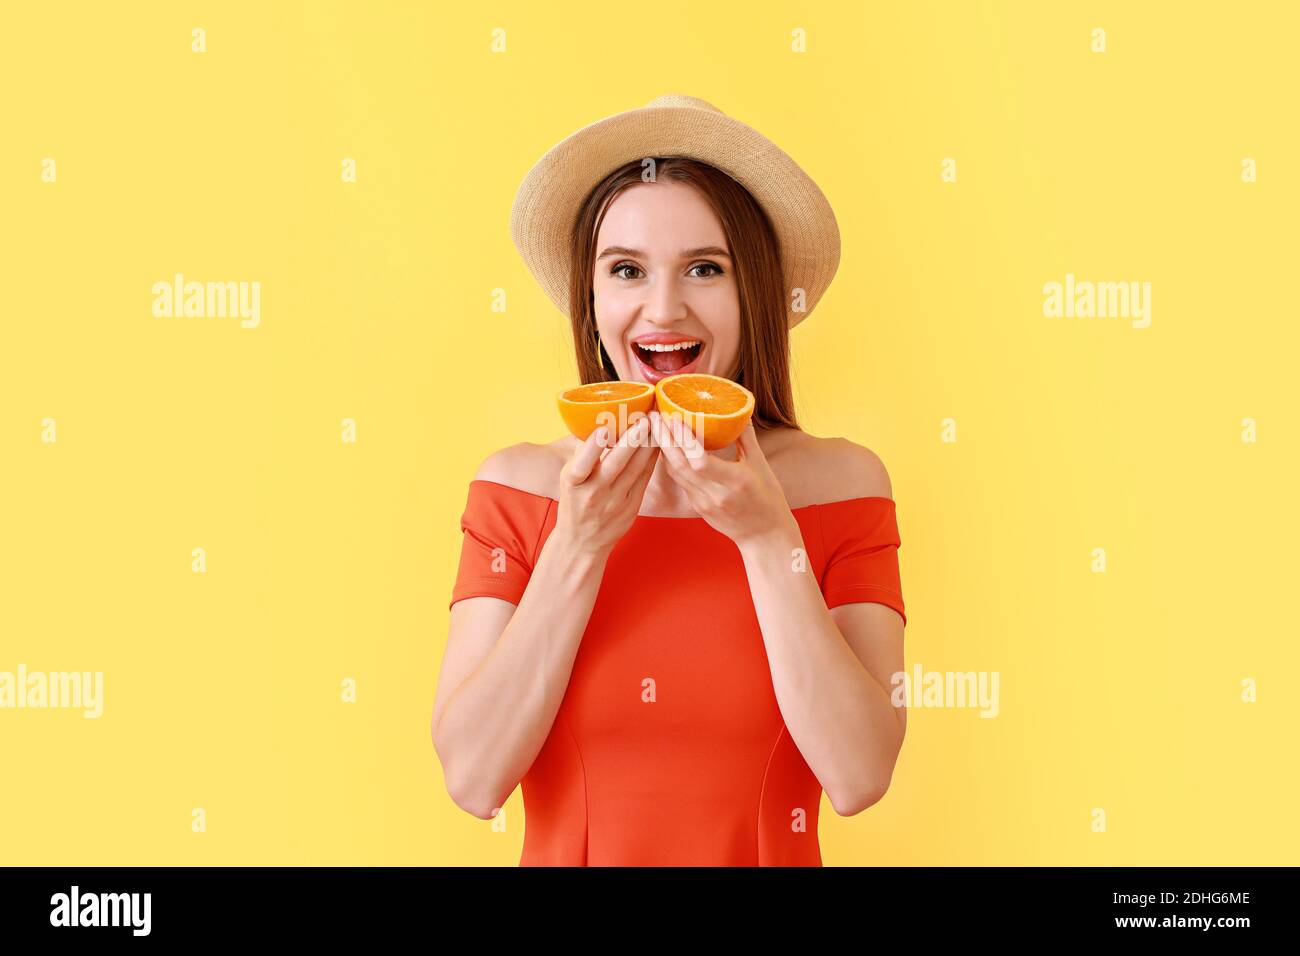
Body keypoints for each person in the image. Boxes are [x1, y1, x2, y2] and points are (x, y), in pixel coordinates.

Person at [433, 94, 907, 866]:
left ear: (753, 294)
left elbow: (858, 775)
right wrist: (578, 547)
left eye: (704, 269)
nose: (664, 308)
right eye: (627, 270)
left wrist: (766, 537)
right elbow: (474, 777)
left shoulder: (842, 484)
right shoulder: (517, 489)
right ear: (591, 302)